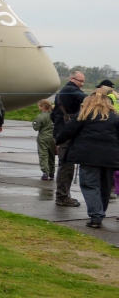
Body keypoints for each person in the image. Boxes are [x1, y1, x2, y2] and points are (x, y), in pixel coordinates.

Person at [55, 89, 119, 229]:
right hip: (110, 158)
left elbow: (68, 131)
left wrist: (58, 140)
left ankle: (96, 216)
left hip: (88, 157)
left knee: (90, 185)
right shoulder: (114, 117)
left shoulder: (84, 115)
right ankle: (100, 212)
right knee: (105, 187)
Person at [52, 71, 87, 207]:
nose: (81, 84)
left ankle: (64, 195)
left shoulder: (64, 91)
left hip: (61, 132)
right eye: (80, 81)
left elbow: (54, 115)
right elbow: (85, 98)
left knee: (66, 165)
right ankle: (62, 197)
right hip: (65, 134)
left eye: (83, 82)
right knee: (66, 166)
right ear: (72, 79)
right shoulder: (71, 89)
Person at [32, 99, 56, 181]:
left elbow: (36, 127)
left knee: (43, 155)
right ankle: (52, 172)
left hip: (43, 138)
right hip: (53, 137)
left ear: (42, 107)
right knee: (51, 155)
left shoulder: (40, 117)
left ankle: (45, 172)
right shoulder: (54, 115)